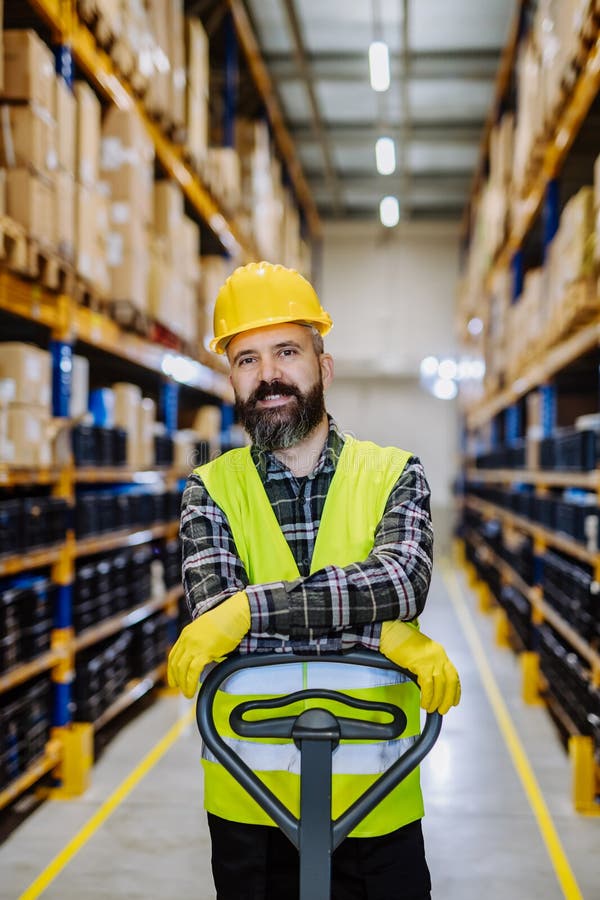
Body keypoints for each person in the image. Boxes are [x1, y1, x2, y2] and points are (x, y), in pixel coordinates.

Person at [167, 261, 461, 900]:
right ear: (232, 381)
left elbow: (402, 582)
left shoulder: (395, 474)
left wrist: (248, 613)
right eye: (246, 359)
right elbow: (216, 619)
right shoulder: (207, 490)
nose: (268, 374)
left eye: (286, 351)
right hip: (250, 794)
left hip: (377, 790)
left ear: (323, 367)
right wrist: (379, 635)